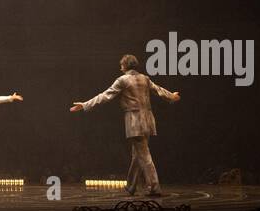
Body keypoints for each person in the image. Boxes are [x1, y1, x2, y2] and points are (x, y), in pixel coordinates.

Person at [70, 54, 181, 197]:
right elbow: (158, 90)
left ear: (125, 66)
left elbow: (105, 96)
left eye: (121, 64)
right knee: (138, 154)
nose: (120, 67)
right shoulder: (144, 78)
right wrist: (172, 96)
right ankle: (130, 186)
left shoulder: (122, 80)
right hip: (148, 119)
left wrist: (85, 105)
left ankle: (154, 187)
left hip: (135, 120)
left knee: (144, 155)